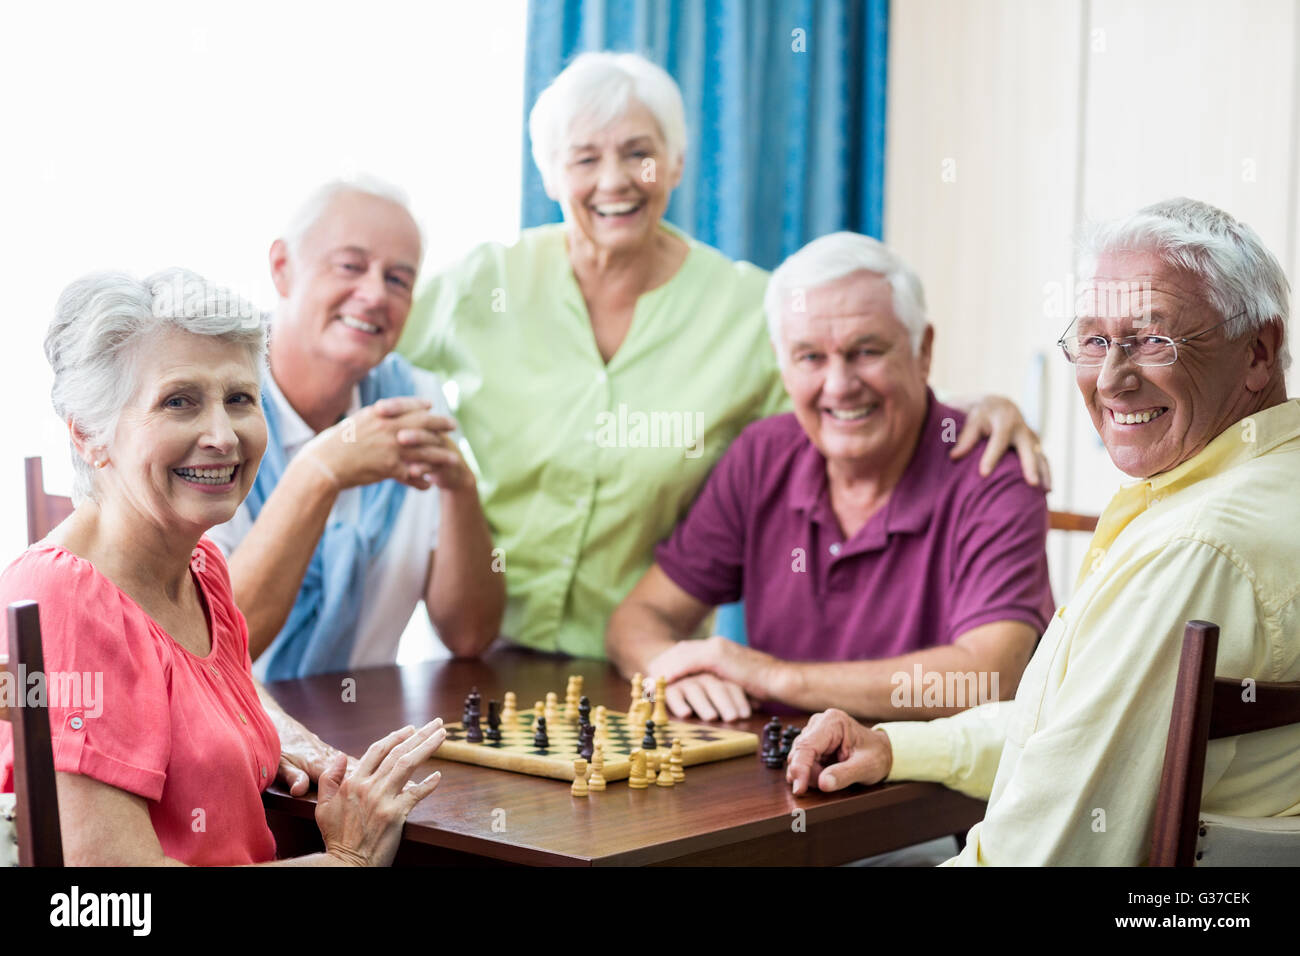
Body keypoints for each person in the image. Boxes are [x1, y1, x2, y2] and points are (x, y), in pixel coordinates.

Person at [398, 51, 1050, 659]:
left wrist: (973, 407)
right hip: (473, 649)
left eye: (639, 154)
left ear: (677, 163)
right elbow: (363, 355)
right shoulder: (484, 285)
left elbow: (846, 394)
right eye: (585, 158)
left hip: (633, 667)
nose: (615, 180)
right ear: (548, 173)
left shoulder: (745, 307)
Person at [787, 198, 1300, 865]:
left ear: (1258, 351)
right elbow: (1086, 729)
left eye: (1151, 338)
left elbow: (1044, 852)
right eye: (1093, 340)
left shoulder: (1193, 548)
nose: (1112, 380)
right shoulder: (1260, 491)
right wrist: (896, 745)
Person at [0, 270, 445, 865]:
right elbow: (110, 904)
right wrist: (348, 859)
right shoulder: (64, 596)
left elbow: (191, 682)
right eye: (179, 401)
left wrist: (274, 728)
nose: (222, 436)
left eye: (239, 398)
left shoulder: (200, 566)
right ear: (88, 435)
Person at [606, 233, 1055, 721]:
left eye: (866, 352)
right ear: (783, 367)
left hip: (928, 791)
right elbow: (636, 619)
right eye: (811, 358)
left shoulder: (994, 471)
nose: (839, 386)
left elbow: (985, 678)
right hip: (782, 782)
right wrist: (673, 669)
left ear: (922, 350)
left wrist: (770, 675)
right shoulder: (762, 456)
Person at [207, 179, 504, 679]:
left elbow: (470, 635)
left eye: (398, 280)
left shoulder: (415, 404)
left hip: (366, 738)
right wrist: (320, 473)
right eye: (350, 266)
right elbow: (209, 651)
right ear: (282, 268)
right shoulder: (208, 411)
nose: (372, 295)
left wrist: (461, 490)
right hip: (229, 744)